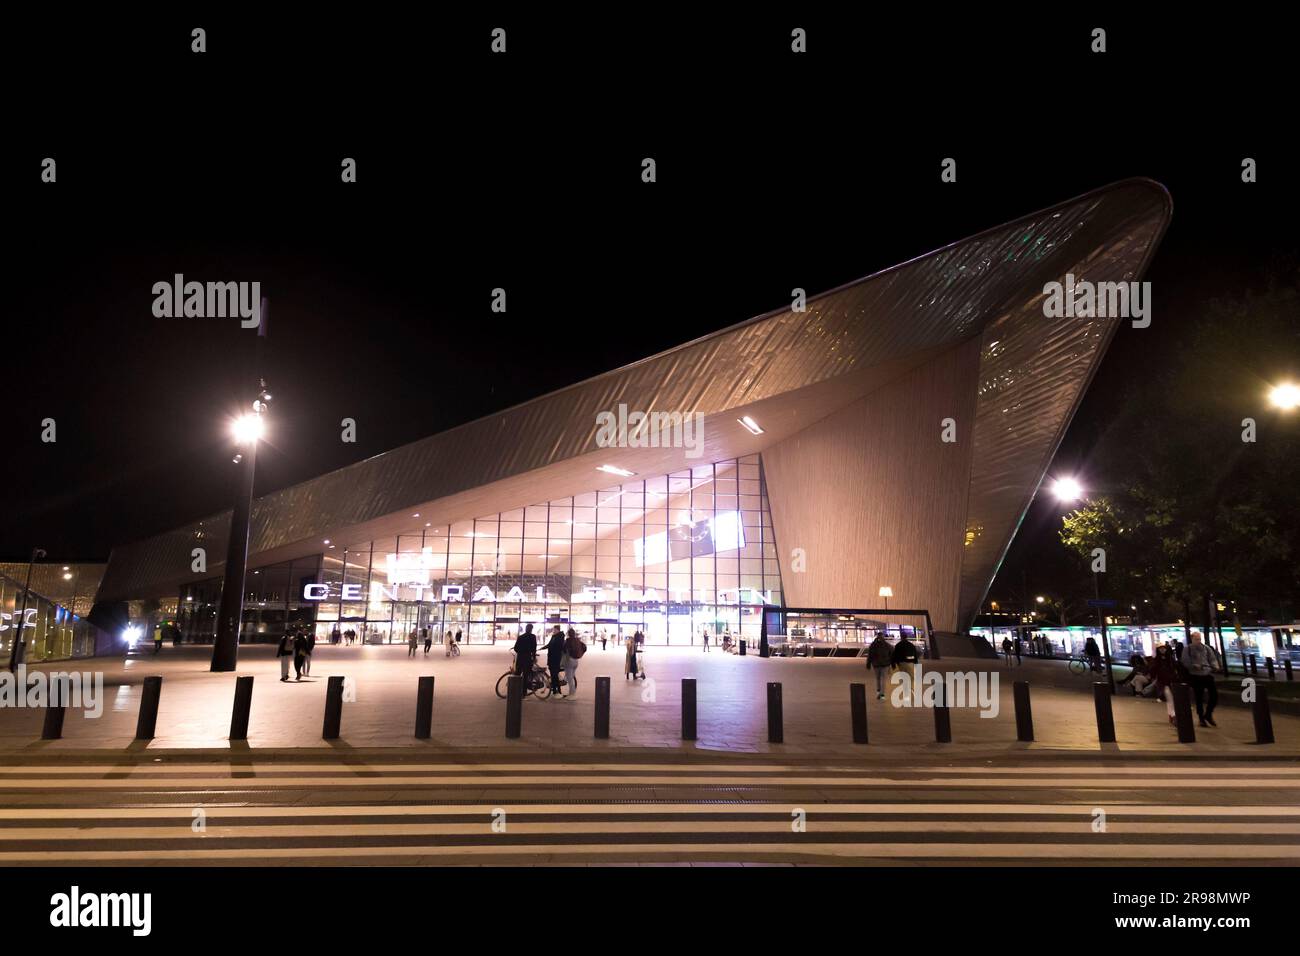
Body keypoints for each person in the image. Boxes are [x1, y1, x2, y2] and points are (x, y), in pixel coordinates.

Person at [1184, 631, 1220, 727]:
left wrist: (1215, 666)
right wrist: (1193, 666)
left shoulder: (1206, 648)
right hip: (1195, 676)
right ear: (1192, 639)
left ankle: (1208, 714)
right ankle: (1201, 717)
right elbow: (1185, 662)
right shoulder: (1187, 649)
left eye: (1199, 639)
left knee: (1214, 695)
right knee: (1199, 697)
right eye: (1196, 639)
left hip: (1206, 673)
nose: (1198, 641)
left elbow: (1212, 659)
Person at [1150, 643, 1180, 725]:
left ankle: (1171, 715)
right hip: (1162, 682)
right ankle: (1173, 715)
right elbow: (1153, 670)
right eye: (1160, 649)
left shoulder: (1170, 659)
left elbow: (1175, 667)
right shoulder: (1156, 660)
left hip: (1171, 681)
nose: (1162, 650)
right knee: (1169, 697)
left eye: (1164, 648)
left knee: (1171, 699)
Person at [866, 631, 893, 699]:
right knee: (883, 679)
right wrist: (892, 663)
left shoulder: (873, 645)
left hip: (876, 665)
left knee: (877, 678)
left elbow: (870, 655)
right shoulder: (887, 645)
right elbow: (892, 654)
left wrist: (868, 663)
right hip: (885, 664)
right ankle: (882, 695)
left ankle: (878, 692)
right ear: (883, 637)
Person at [543, 626, 566, 697]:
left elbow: (556, 647)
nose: (553, 631)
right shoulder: (554, 636)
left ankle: (557, 691)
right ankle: (556, 691)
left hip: (556, 658)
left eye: (554, 629)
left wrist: (550, 647)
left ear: (557, 630)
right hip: (551, 658)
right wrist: (543, 648)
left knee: (554, 675)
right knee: (554, 675)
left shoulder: (560, 637)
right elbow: (550, 645)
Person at [514, 624, 538, 689]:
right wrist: (534, 657)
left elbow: (515, 648)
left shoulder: (520, 637)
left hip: (520, 658)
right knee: (526, 676)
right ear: (531, 629)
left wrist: (520, 652)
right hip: (527, 659)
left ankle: (515, 691)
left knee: (517, 674)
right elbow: (534, 648)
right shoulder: (533, 637)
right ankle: (524, 694)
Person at [564, 627, 586, 698]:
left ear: (568, 634)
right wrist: (581, 654)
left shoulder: (568, 641)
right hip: (576, 661)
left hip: (570, 660)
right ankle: (572, 692)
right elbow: (584, 647)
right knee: (571, 677)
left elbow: (564, 649)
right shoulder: (577, 640)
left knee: (570, 678)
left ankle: (572, 694)